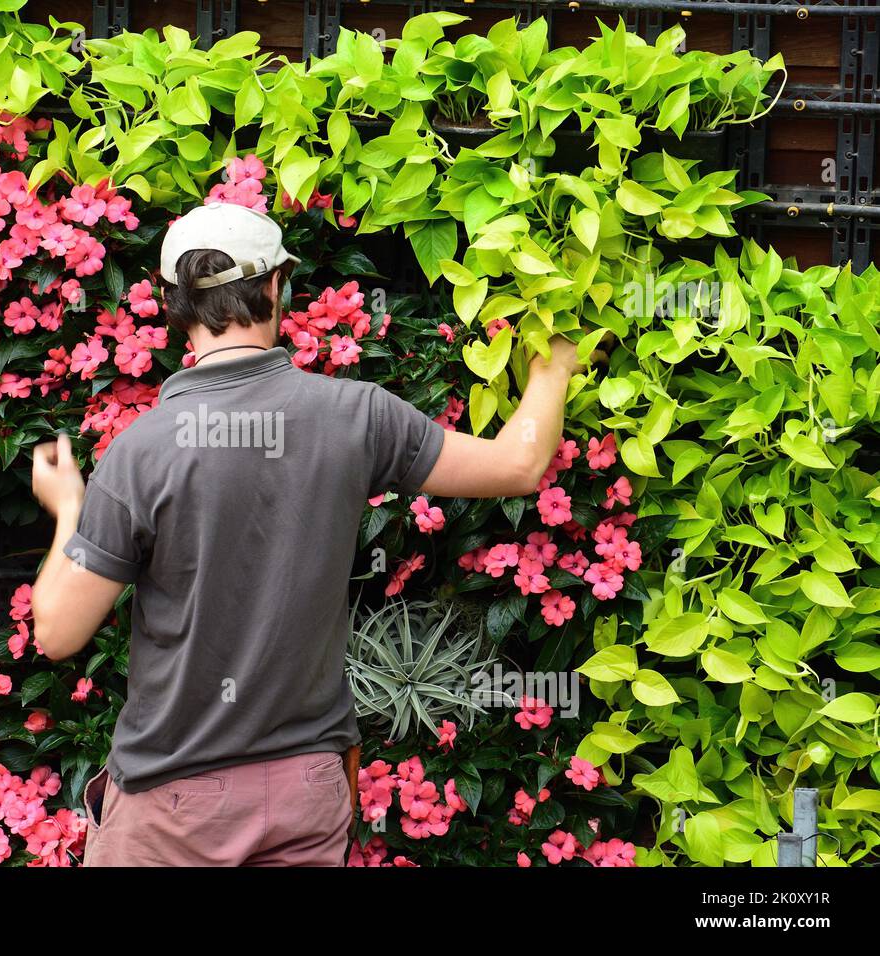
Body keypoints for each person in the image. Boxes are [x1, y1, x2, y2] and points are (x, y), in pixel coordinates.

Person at [29, 202, 589, 866]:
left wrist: (69, 506)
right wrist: (554, 366)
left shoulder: (141, 452)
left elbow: (56, 634)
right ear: (273, 287)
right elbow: (519, 464)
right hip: (304, 793)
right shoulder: (355, 416)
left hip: (172, 802)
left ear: (174, 304)